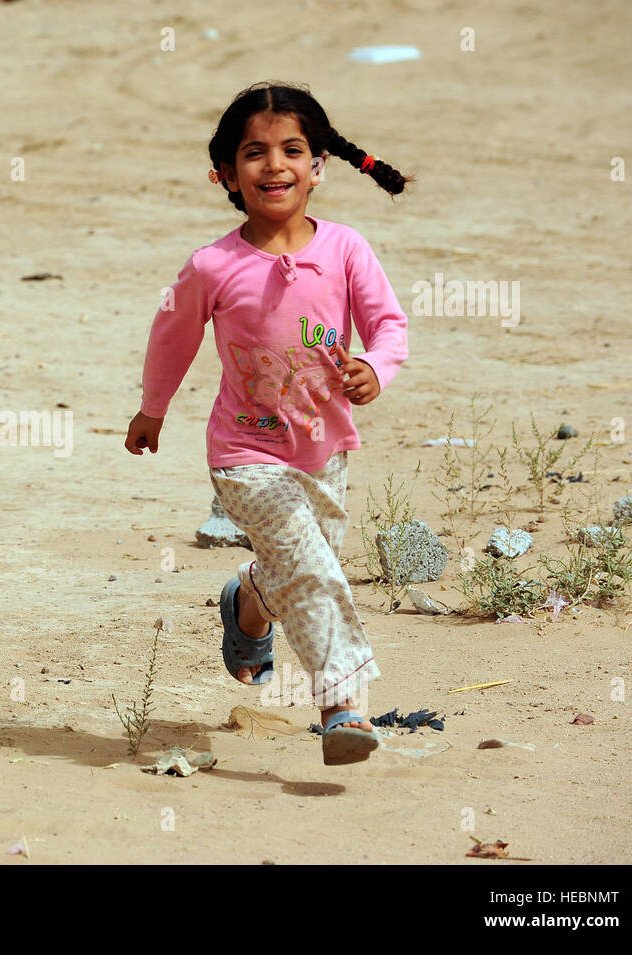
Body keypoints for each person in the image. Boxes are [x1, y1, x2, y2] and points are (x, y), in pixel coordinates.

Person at [124, 82, 412, 765]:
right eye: (254, 153)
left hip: (325, 449)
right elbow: (172, 338)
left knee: (298, 565)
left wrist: (375, 367)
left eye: (292, 150)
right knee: (311, 569)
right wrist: (153, 407)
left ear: (318, 166)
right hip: (243, 452)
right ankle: (342, 703)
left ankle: (248, 600)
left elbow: (389, 326)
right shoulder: (212, 265)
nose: (274, 164)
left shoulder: (345, 250)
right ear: (225, 173)